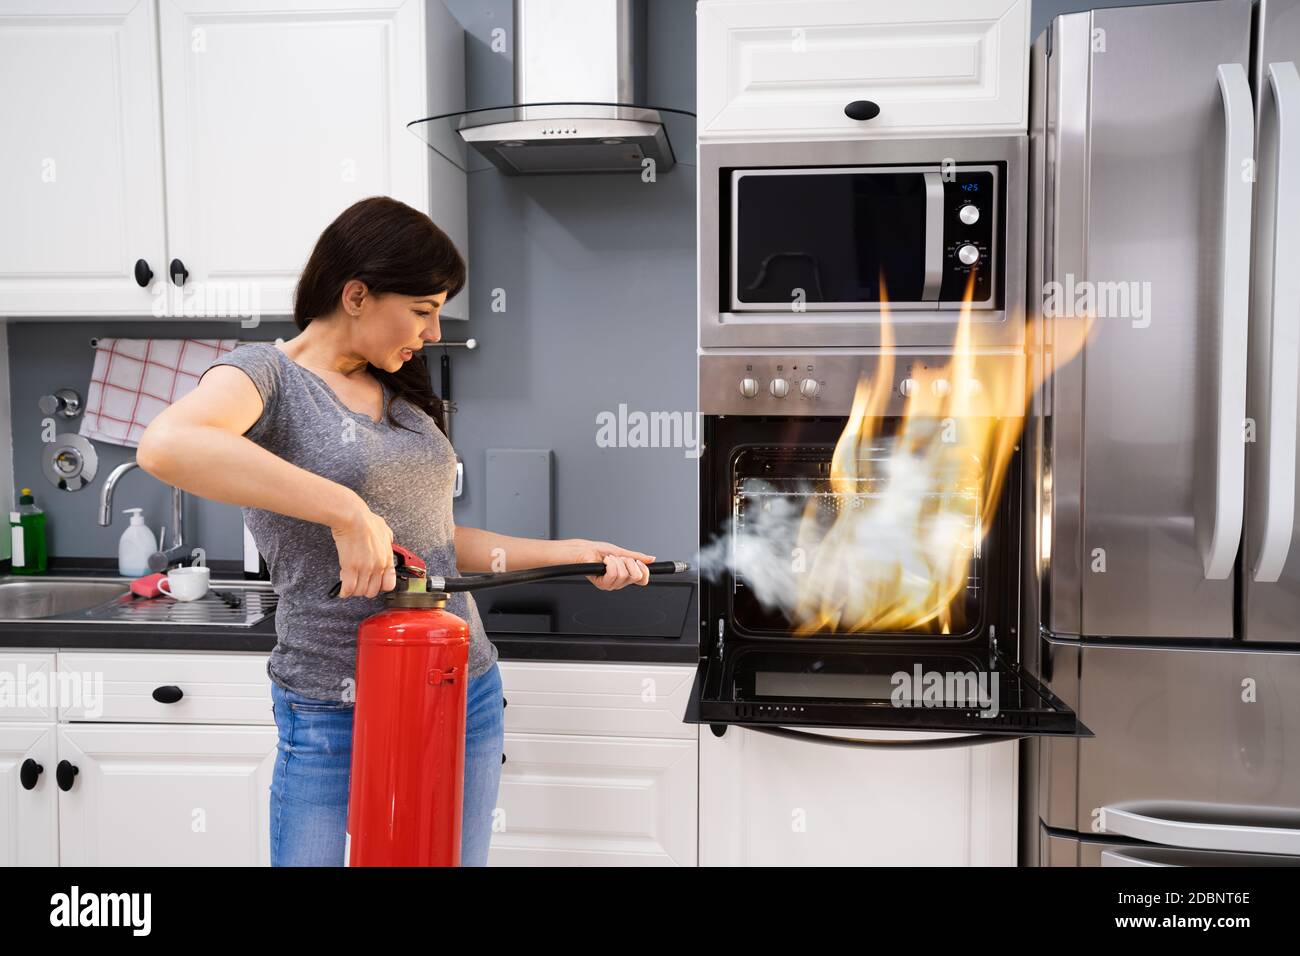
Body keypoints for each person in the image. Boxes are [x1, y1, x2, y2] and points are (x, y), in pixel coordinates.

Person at [137, 195, 655, 866]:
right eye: (422, 309)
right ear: (356, 294)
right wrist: (346, 511)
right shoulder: (269, 377)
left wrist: (573, 553)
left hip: (461, 688)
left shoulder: (398, 391)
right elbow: (167, 445)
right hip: (336, 705)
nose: (434, 332)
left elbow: (433, 543)